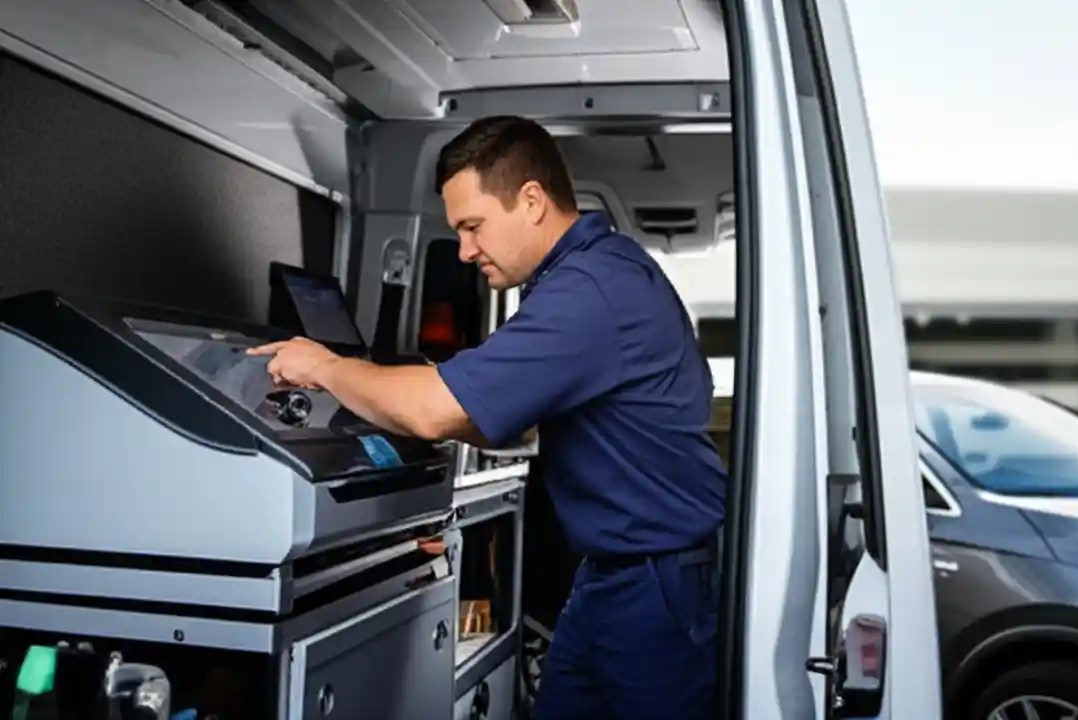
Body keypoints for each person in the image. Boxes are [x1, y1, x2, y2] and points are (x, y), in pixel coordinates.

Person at [248, 115, 727, 719]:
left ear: (531, 201)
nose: (466, 250)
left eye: (473, 227)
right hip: (616, 575)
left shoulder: (591, 290)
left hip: (655, 588)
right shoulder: (575, 278)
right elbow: (502, 417)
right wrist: (407, 395)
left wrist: (322, 366)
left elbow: (436, 412)